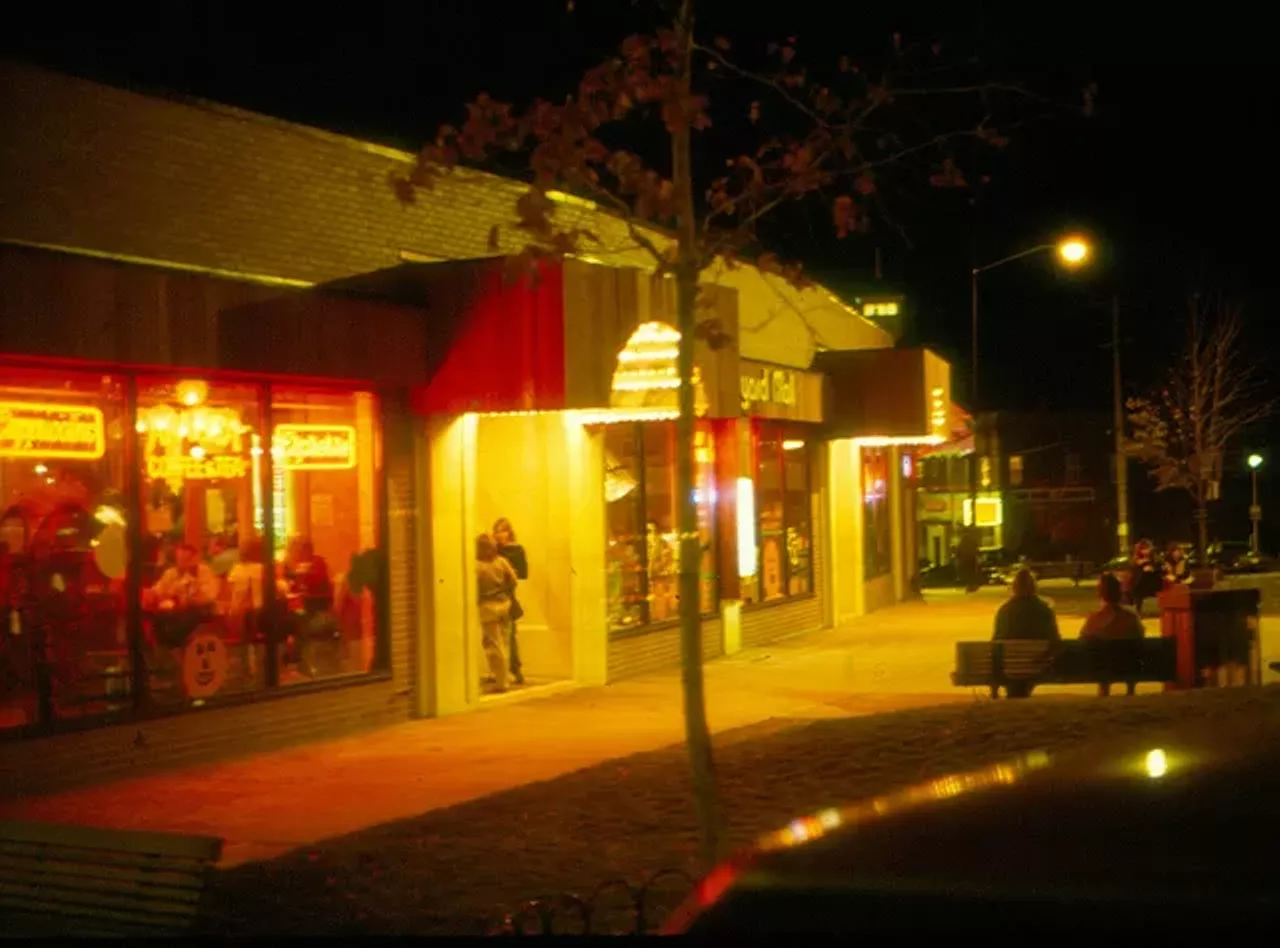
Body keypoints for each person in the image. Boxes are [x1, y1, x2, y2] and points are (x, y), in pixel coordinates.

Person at [990, 568, 1061, 699]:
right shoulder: (1044, 610)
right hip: (1037, 666)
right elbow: (1055, 640)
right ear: (1034, 586)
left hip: (1009, 666)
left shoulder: (1005, 611)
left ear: (1014, 587)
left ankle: (1013, 694)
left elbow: (996, 641)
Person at [1079, 572, 1145, 697]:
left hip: (1103, 668)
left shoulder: (1095, 619)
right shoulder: (1131, 617)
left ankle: (1104, 690)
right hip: (1130, 667)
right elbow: (1140, 637)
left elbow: (1082, 640)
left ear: (1100, 593)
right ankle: (1130, 690)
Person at [476, 533, 518, 693]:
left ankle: (501, 682)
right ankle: (505, 676)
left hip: (487, 607)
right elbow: (513, 580)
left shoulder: (478, 566)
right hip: (504, 604)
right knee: (504, 644)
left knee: (493, 645)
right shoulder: (501, 562)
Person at [493, 517, 528, 686]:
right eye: (497, 531)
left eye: (503, 531)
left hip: (508, 595)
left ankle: (515, 668)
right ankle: (502, 669)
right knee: (496, 636)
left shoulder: (516, 550)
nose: (500, 535)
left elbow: (522, 573)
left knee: (510, 635)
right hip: (496, 594)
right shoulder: (493, 551)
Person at [1128, 539, 1159, 616]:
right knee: (1138, 591)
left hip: (1152, 581)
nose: (1146, 551)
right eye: (1143, 549)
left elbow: (1158, 567)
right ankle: (1138, 611)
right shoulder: (1136, 559)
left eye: (1147, 548)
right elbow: (1134, 571)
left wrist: (1152, 569)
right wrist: (1142, 568)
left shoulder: (1153, 558)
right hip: (1140, 583)